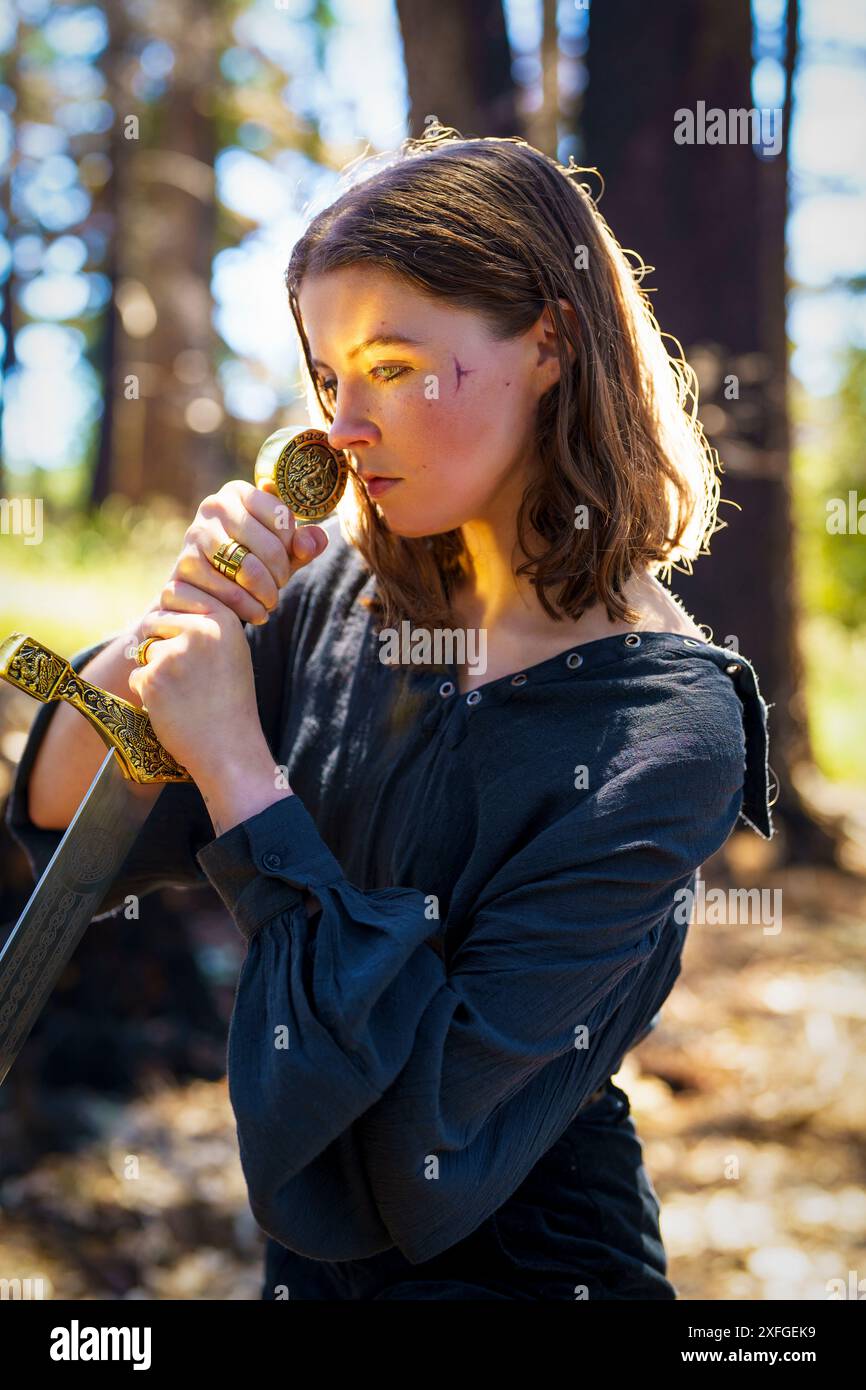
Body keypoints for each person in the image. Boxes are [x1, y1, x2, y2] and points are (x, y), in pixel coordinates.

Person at [7, 124, 774, 1301]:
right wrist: (183, 610)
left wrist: (239, 769)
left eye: (391, 365)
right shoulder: (341, 596)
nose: (342, 425)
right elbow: (65, 812)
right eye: (327, 375)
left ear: (548, 340)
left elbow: (418, 1155)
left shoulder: (666, 730)